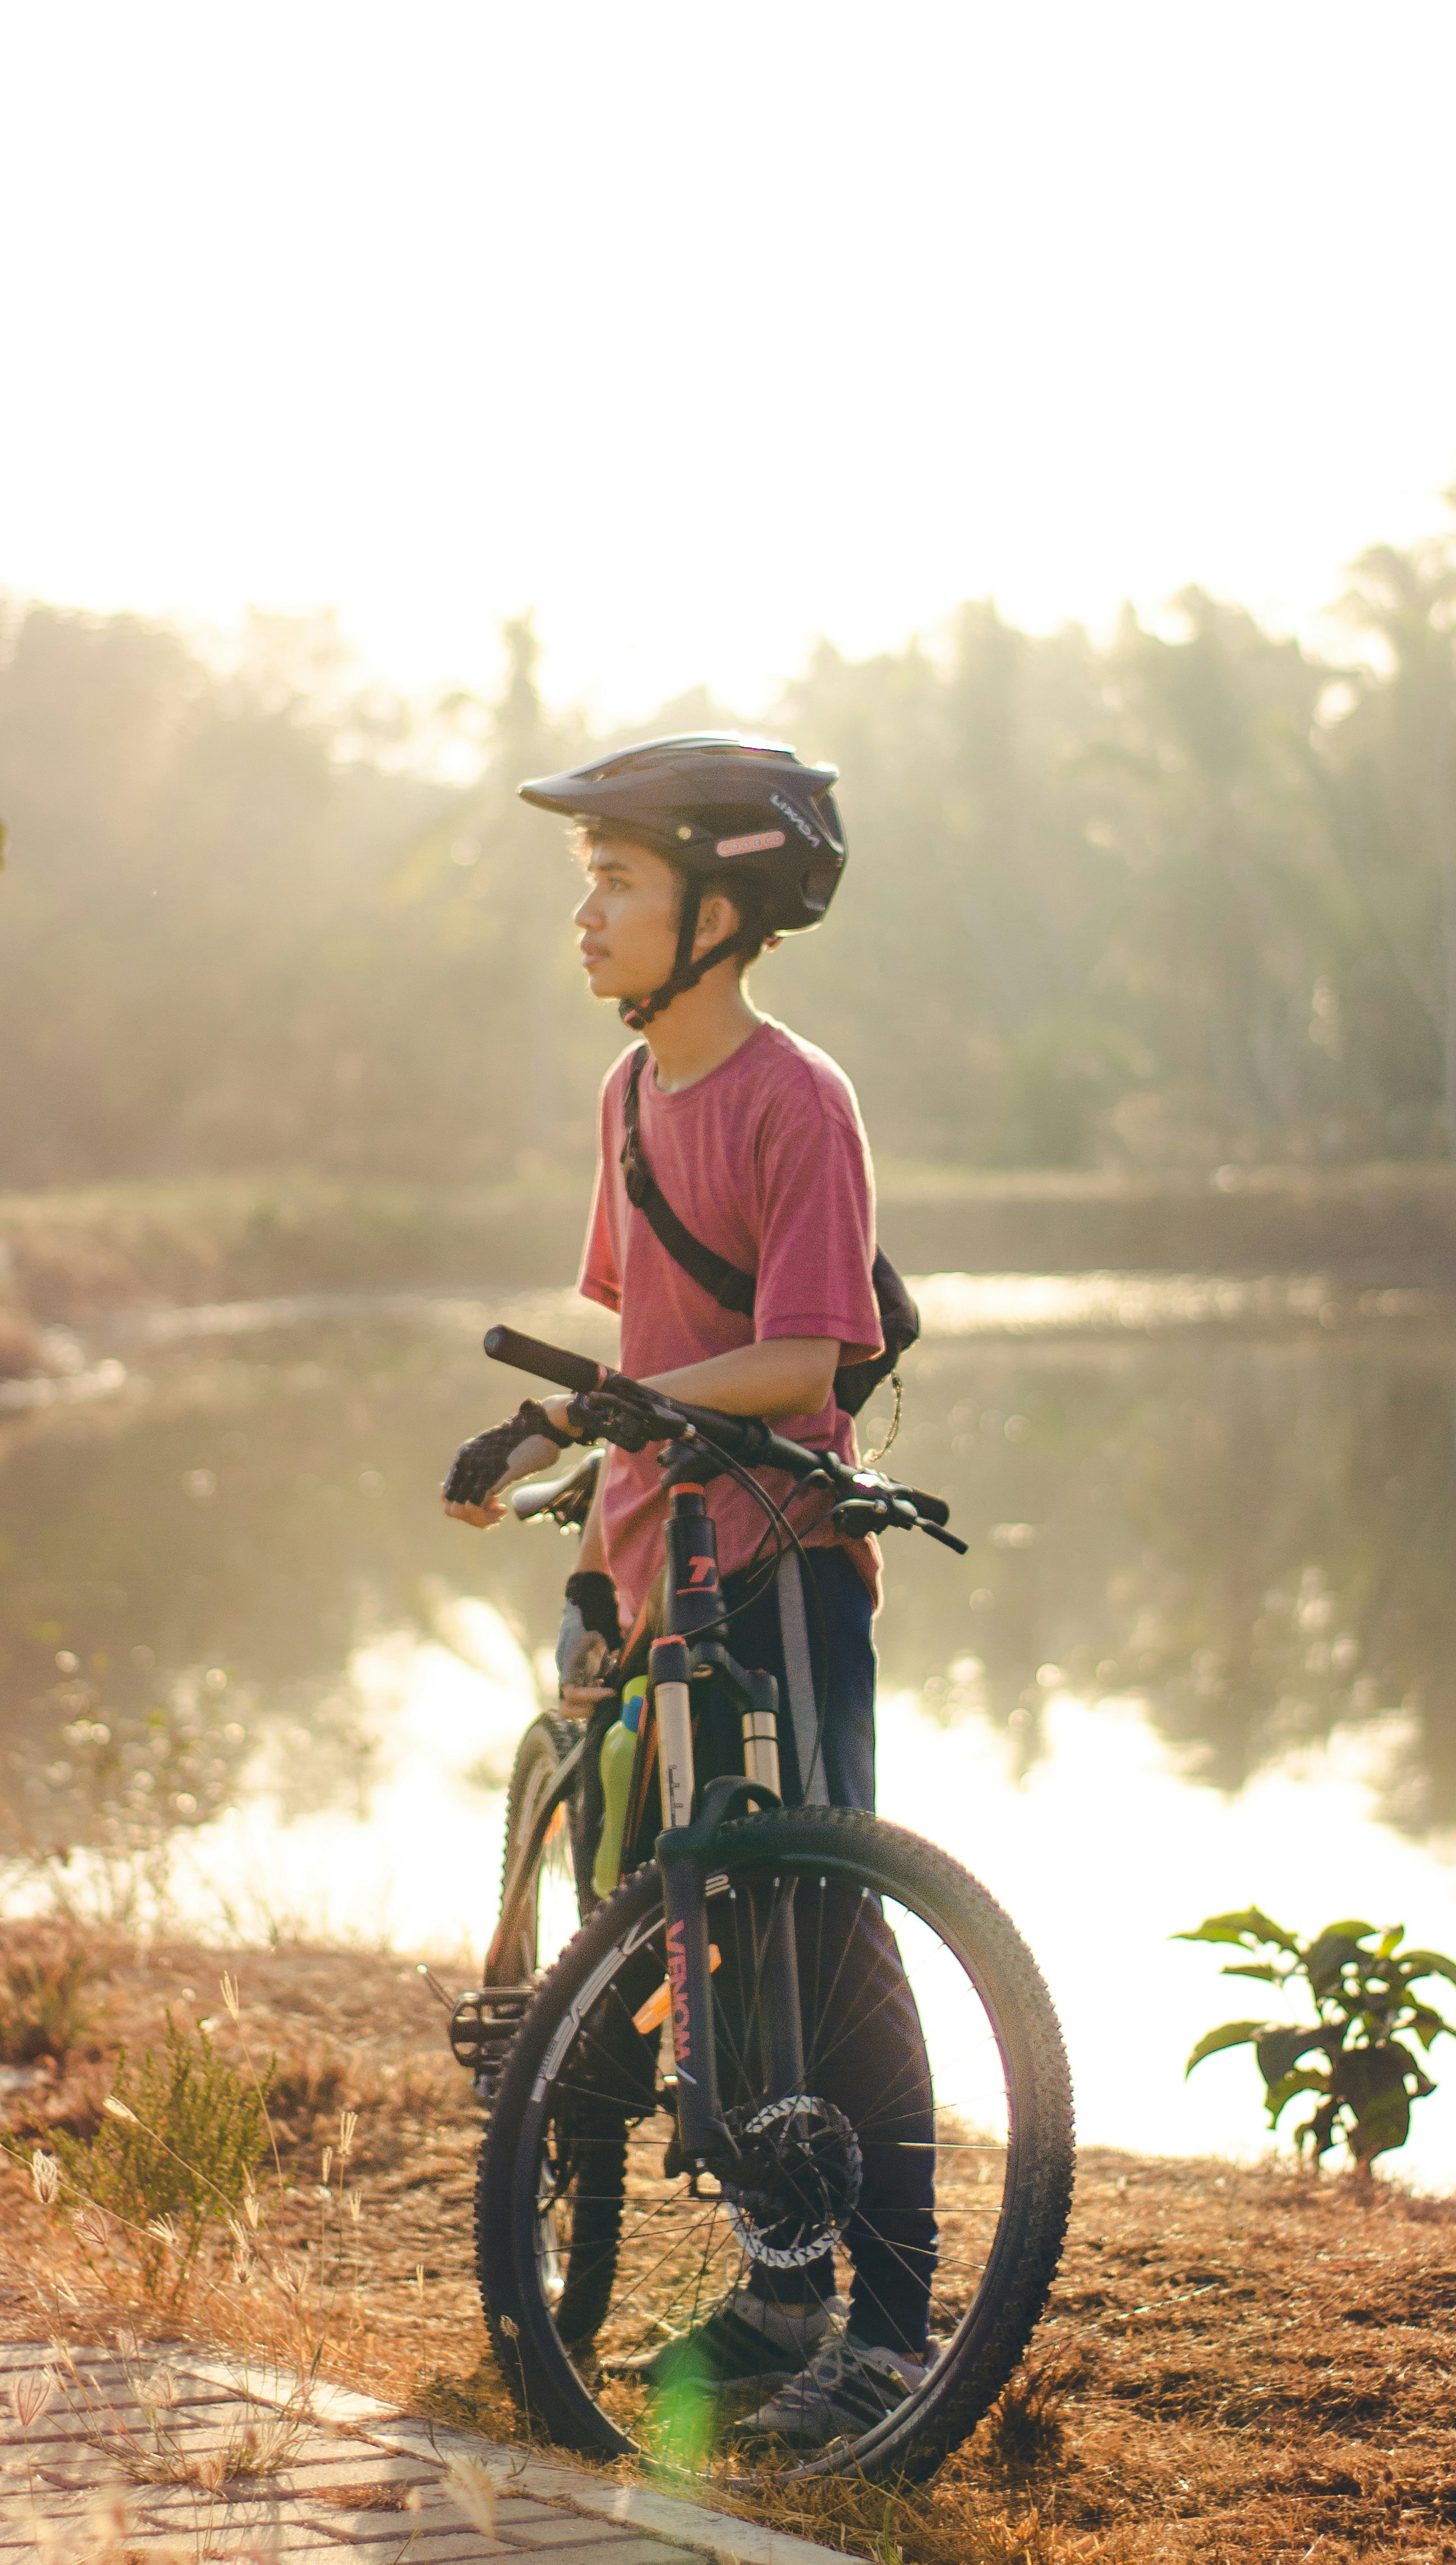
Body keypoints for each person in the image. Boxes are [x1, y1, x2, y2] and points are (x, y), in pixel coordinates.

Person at [442, 733, 937, 2447]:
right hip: (655, 1559)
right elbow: (641, 1338)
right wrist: (562, 1447)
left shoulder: (801, 1099)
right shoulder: (631, 1093)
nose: (587, 916)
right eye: (585, 884)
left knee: (825, 1916)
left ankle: (894, 2319)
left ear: (720, 913)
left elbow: (803, 1353)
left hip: (784, 1568)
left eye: (619, 883)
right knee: (698, 1919)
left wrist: (625, 1405)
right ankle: (779, 2286)